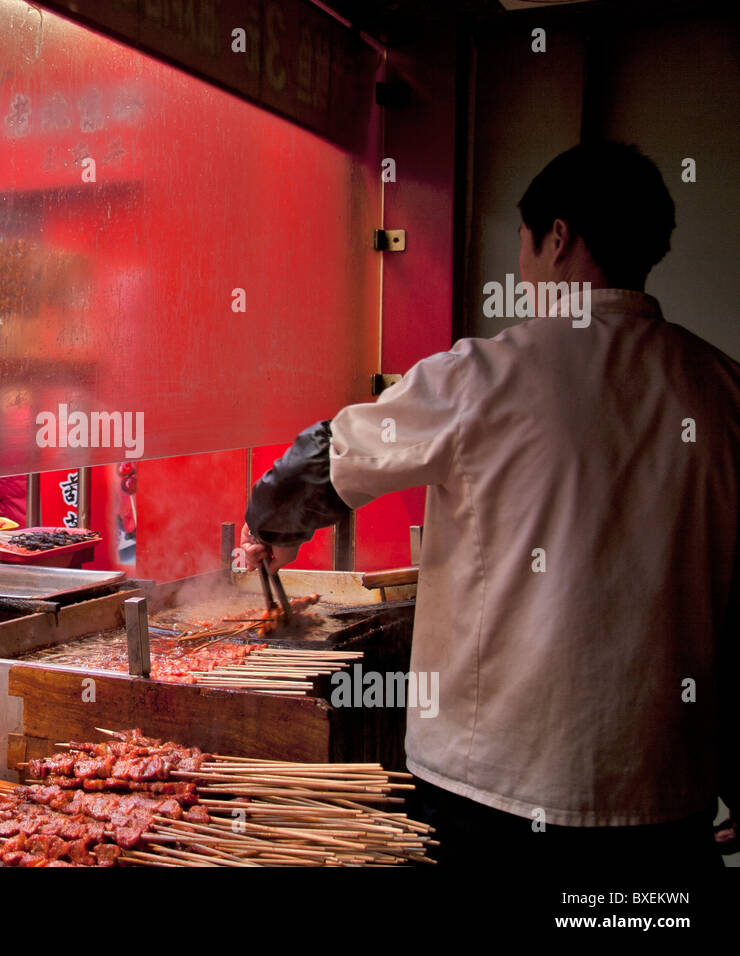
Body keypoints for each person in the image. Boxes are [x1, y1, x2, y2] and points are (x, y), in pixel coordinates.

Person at [241, 142, 739, 869]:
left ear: (559, 239)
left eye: (526, 247)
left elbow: (319, 463)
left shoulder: (485, 376)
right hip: (666, 801)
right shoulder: (722, 390)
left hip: (495, 796)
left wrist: (269, 529)